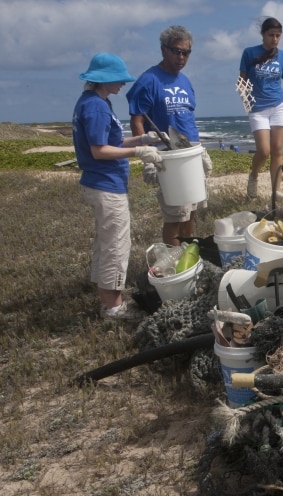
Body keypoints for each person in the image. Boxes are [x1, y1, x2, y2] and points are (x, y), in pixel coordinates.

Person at [73, 53, 165, 320]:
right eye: (119, 79)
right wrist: (138, 153)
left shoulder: (95, 101)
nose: (123, 84)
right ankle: (114, 308)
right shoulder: (96, 107)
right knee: (115, 245)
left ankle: (108, 300)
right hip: (106, 184)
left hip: (101, 183)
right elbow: (99, 150)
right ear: (104, 80)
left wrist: (141, 139)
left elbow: (111, 142)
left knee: (106, 242)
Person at [127, 25, 212, 246]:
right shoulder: (149, 80)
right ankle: (172, 259)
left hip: (191, 150)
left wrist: (199, 149)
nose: (181, 57)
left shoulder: (185, 81)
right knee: (175, 214)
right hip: (169, 154)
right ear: (164, 49)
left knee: (192, 209)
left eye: (186, 52)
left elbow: (187, 117)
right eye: (176, 51)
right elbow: (137, 120)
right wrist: (147, 156)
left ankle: (186, 253)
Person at [239, 17, 283, 199]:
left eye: (278, 35)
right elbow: (242, 80)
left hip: (279, 106)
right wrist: (244, 97)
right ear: (263, 34)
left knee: (277, 150)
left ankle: (275, 193)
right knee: (264, 150)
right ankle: (254, 175)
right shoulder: (249, 53)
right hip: (257, 108)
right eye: (271, 35)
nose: (275, 39)